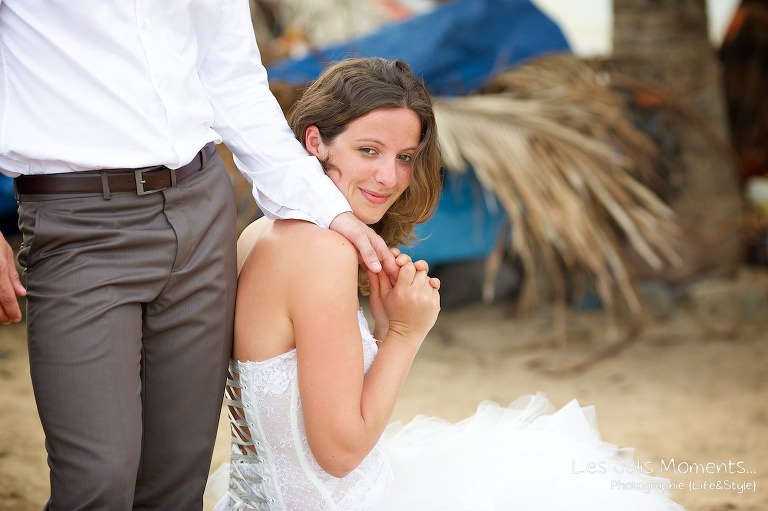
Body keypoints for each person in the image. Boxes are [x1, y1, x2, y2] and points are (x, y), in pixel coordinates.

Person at [207, 57, 684, 511]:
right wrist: (404, 335)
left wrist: (381, 333)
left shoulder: (259, 234)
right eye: (368, 150)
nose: (389, 176)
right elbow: (339, 452)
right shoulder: (323, 252)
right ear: (316, 141)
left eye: (405, 157)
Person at [0, 2, 397, 510]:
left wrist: (328, 209)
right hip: (76, 219)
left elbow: (231, 76)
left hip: (201, 205)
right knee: (97, 481)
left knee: (177, 481)